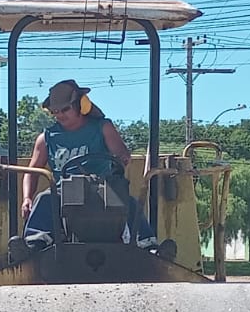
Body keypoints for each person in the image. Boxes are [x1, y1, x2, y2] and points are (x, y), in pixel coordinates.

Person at [20, 80, 156, 248]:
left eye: (65, 109)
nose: (60, 115)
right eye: (55, 111)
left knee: (128, 201)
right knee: (44, 199)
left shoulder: (103, 127)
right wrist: (27, 197)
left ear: (82, 105)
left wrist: (122, 158)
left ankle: (148, 245)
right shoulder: (46, 138)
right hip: (64, 192)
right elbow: (32, 172)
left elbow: (122, 154)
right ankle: (35, 243)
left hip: (102, 188)